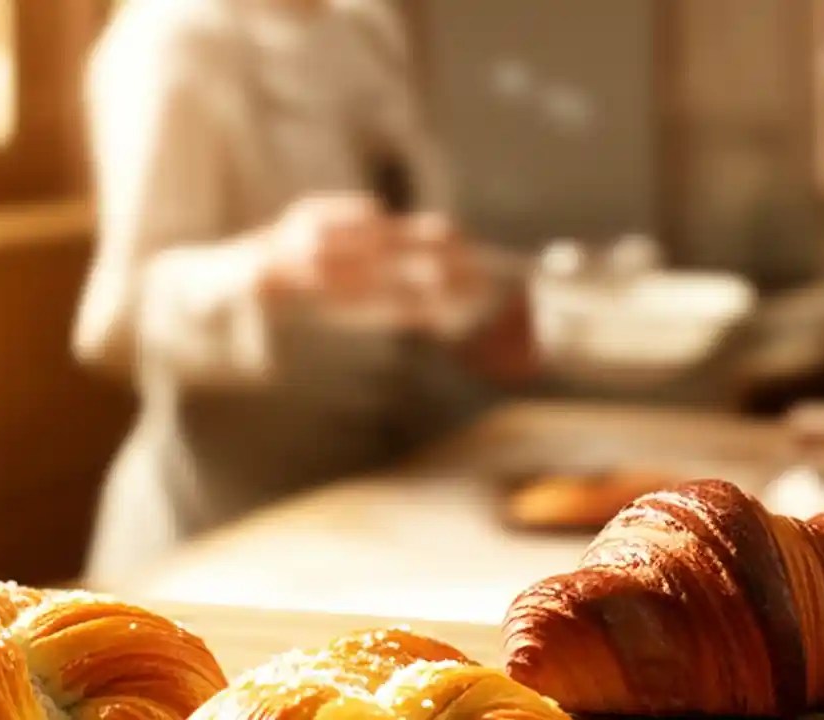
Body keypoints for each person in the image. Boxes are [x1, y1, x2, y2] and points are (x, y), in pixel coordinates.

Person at [73, 0, 536, 587]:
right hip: (218, 532)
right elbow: (117, 321)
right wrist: (272, 264)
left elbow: (401, 249)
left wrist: (479, 310)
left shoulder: (365, 29)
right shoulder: (172, 38)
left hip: (373, 508)